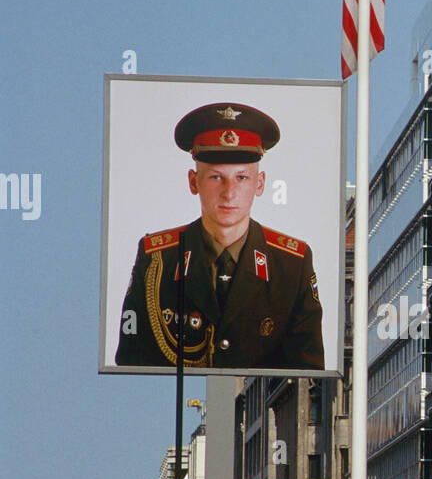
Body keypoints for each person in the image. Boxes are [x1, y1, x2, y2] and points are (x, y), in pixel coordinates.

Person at [115, 102, 324, 370]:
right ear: (193, 182)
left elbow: (309, 370)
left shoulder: (292, 264)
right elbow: (131, 364)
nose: (229, 193)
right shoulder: (157, 259)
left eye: (241, 178)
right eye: (215, 177)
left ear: (259, 184)